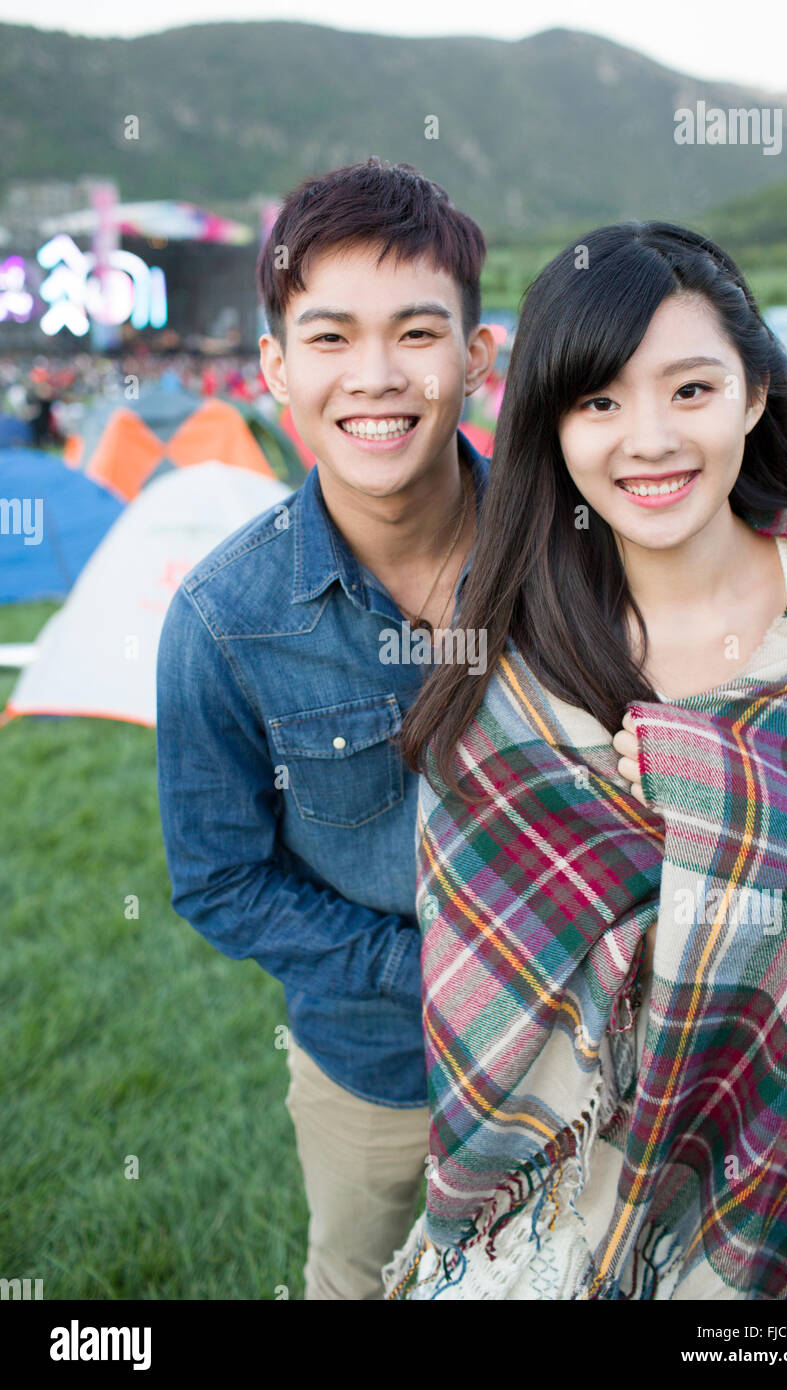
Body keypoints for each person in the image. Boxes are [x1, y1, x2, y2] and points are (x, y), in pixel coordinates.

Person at [385, 220, 787, 1300]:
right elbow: (470, 945)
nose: (645, 438)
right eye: (598, 401)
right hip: (535, 1233)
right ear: (551, 427)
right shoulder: (502, 662)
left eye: (688, 391)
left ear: (752, 395)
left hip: (749, 1212)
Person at [155, 158, 496, 1299]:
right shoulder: (222, 618)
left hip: (583, 1063)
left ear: (474, 358)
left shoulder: (577, 561)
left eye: (415, 332)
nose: (376, 376)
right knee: (355, 1280)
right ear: (275, 370)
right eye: (331, 336)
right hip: (369, 1072)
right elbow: (217, 880)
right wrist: (440, 972)